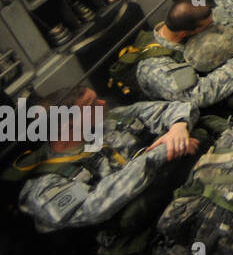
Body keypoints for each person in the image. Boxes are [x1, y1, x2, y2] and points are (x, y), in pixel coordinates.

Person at [13, 85, 199, 233]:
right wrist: (159, 154)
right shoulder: (47, 184)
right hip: (137, 234)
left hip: (165, 192)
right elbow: (96, 206)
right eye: (92, 105)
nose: (102, 104)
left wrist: (178, 128)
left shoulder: (107, 122)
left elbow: (176, 108)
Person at [134, 2, 233, 109]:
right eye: (208, 26)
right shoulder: (159, 66)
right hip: (192, 109)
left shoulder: (199, 18)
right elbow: (200, 94)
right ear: (185, 34)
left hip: (221, 70)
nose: (213, 25)